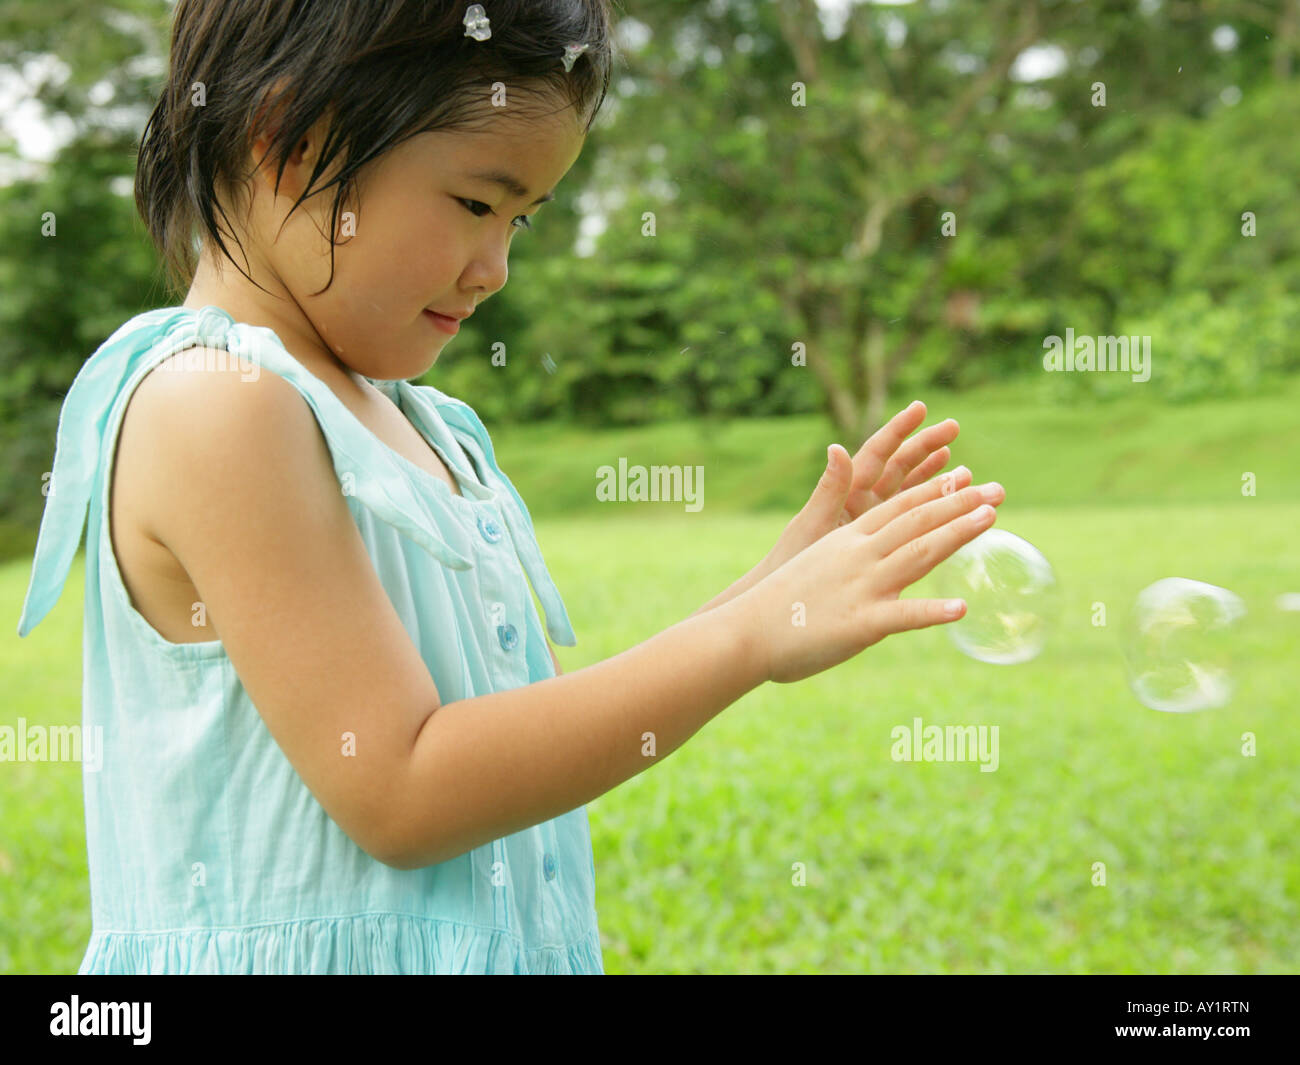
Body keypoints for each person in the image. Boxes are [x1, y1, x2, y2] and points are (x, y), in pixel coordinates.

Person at [16, 0, 1003, 974]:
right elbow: (400, 786)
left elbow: (496, 741)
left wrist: (779, 582)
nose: (495, 269)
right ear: (289, 143)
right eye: (477, 204)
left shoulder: (406, 414)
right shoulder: (218, 404)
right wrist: (748, 639)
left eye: (522, 219)